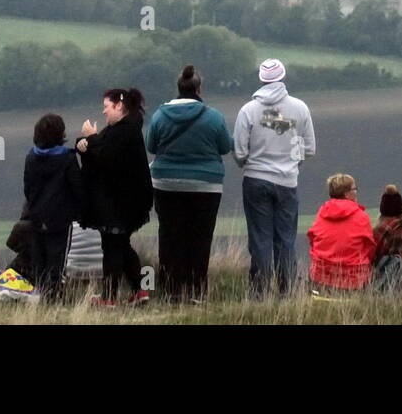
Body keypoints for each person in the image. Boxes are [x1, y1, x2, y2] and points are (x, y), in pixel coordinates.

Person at [146, 64, 234, 302]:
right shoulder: (213, 117)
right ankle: (196, 291)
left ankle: (171, 290)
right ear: (199, 89)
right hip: (205, 185)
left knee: (169, 235)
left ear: (178, 87)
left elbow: (151, 146)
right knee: (200, 237)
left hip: (166, 185)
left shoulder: (159, 115)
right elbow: (226, 147)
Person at [234, 58, 316, 297]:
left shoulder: (248, 110)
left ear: (261, 79)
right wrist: (292, 161)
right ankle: (286, 291)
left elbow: (239, 151)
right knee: (286, 239)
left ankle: (259, 293)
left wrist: (250, 163)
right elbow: (309, 148)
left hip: (256, 180)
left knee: (260, 239)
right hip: (288, 182)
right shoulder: (300, 108)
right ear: (283, 77)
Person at [77, 88, 153, 306]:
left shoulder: (124, 131)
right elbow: (99, 151)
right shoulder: (122, 128)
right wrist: (84, 145)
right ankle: (140, 291)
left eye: (107, 107)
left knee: (112, 247)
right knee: (120, 245)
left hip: (120, 203)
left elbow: (108, 160)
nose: (103, 112)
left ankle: (109, 298)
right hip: (124, 202)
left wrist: (91, 138)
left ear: (119, 106)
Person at [23, 113, 85, 301]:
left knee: (39, 258)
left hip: (36, 216)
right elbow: (78, 187)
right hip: (60, 219)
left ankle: (40, 294)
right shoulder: (67, 158)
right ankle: (55, 294)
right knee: (57, 260)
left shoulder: (31, 157)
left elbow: (27, 187)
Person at [307, 173, 376, 293]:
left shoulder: (322, 213)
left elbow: (313, 239)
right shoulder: (361, 216)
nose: (356, 192)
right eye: (355, 189)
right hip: (354, 279)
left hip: (321, 276)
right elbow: (369, 247)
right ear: (347, 194)